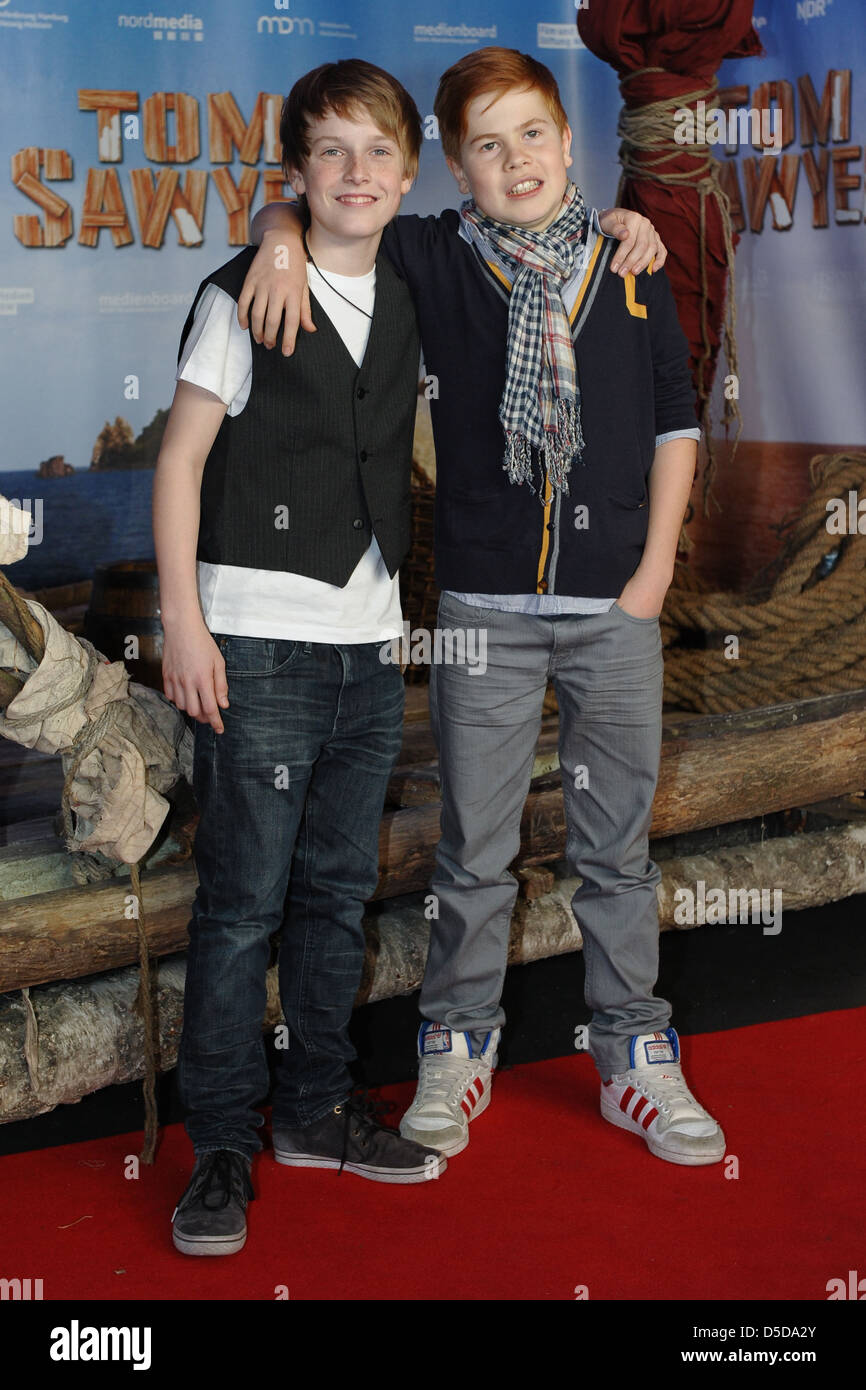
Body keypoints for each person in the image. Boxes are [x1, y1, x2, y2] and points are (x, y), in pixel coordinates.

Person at [241, 46, 724, 1169]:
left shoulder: (631, 258)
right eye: (486, 144)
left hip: (615, 605)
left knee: (614, 852)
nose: (515, 159)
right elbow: (318, 204)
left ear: (569, 140)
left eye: (533, 134)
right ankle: (457, 1041)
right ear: (453, 165)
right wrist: (275, 233)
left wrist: (651, 570)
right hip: (483, 611)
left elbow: (673, 418)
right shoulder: (430, 256)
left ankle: (632, 1054)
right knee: (474, 850)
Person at [152, 59, 448, 1259]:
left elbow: (527, 217)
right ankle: (218, 1142)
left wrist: (634, 219)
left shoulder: (422, 274)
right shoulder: (240, 291)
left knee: (333, 893)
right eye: (327, 152)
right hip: (254, 640)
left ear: (408, 170)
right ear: (294, 173)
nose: (355, 172)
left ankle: (317, 1108)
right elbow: (176, 463)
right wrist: (182, 622)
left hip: (366, 642)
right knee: (238, 910)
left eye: (376, 150)